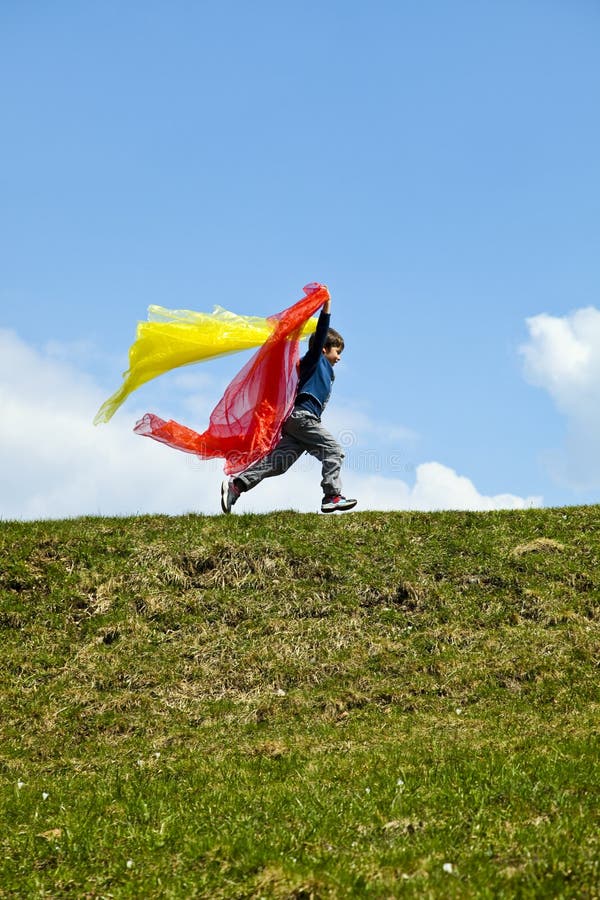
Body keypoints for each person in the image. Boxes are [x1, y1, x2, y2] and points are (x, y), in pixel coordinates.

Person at [220, 295, 357, 514]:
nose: (339, 357)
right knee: (334, 450)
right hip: (303, 418)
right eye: (337, 351)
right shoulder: (314, 361)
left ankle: (237, 486)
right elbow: (321, 334)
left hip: (296, 423)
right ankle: (332, 496)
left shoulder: (320, 369)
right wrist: (326, 309)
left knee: (279, 463)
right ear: (323, 348)